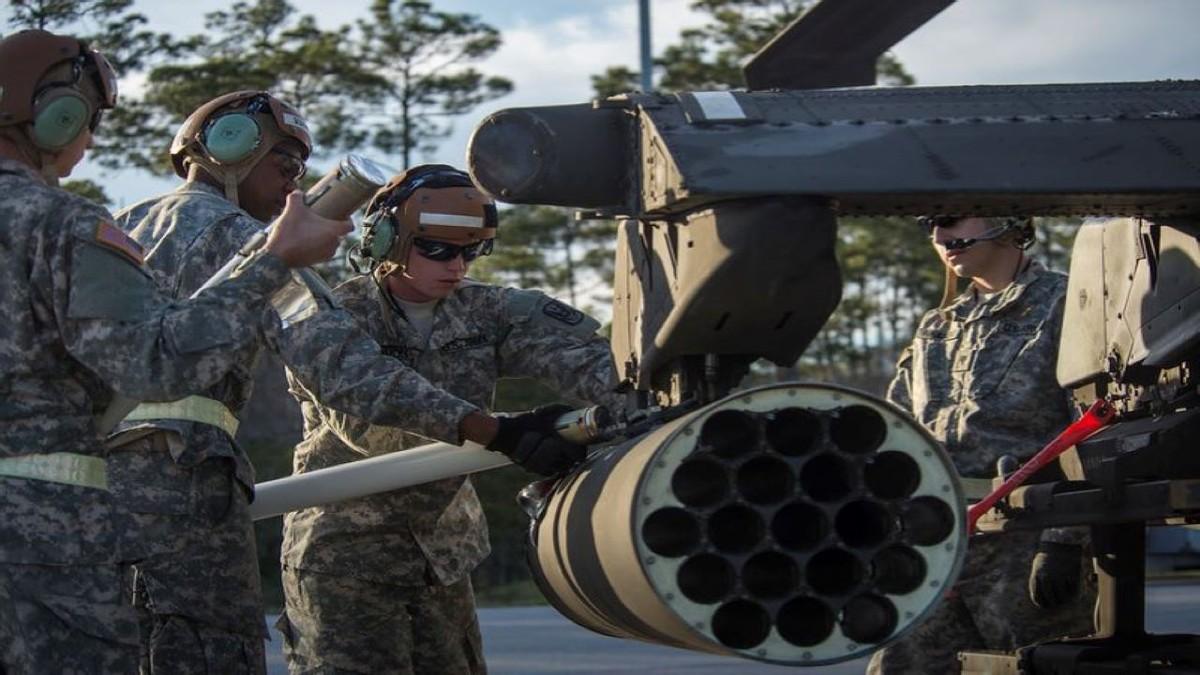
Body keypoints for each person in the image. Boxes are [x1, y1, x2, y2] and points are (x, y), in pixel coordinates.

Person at [113, 101, 596, 673]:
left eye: (471, 251)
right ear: (230, 147)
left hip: (88, 493)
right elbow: (346, 372)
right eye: (286, 163)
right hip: (190, 486)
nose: (295, 185)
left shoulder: (115, 231)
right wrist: (496, 430)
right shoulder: (259, 252)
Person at [0, 30, 349, 674]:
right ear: (56, 115)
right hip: (61, 541)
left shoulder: (122, 223)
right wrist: (274, 260)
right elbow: (157, 364)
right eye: (287, 164)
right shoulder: (66, 225)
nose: (91, 143)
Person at [276, 165, 625, 674]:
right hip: (344, 560)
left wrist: (638, 397)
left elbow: (588, 364)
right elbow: (372, 429)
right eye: (438, 248)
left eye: (471, 250)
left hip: (442, 558)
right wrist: (503, 431)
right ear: (388, 240)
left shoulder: (489, 312)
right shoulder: (332, 316)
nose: (457, 264)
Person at [867, 216, 1097, 674]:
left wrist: (1065, 540)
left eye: (953, 221)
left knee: (1034, 666)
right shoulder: (938, 325)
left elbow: (1091, 427)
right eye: (933, 226)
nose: (940, 237)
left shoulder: (1065, 304)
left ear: (1007, 221)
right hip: (935, 541)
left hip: (1022, 539)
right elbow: (896, 430)